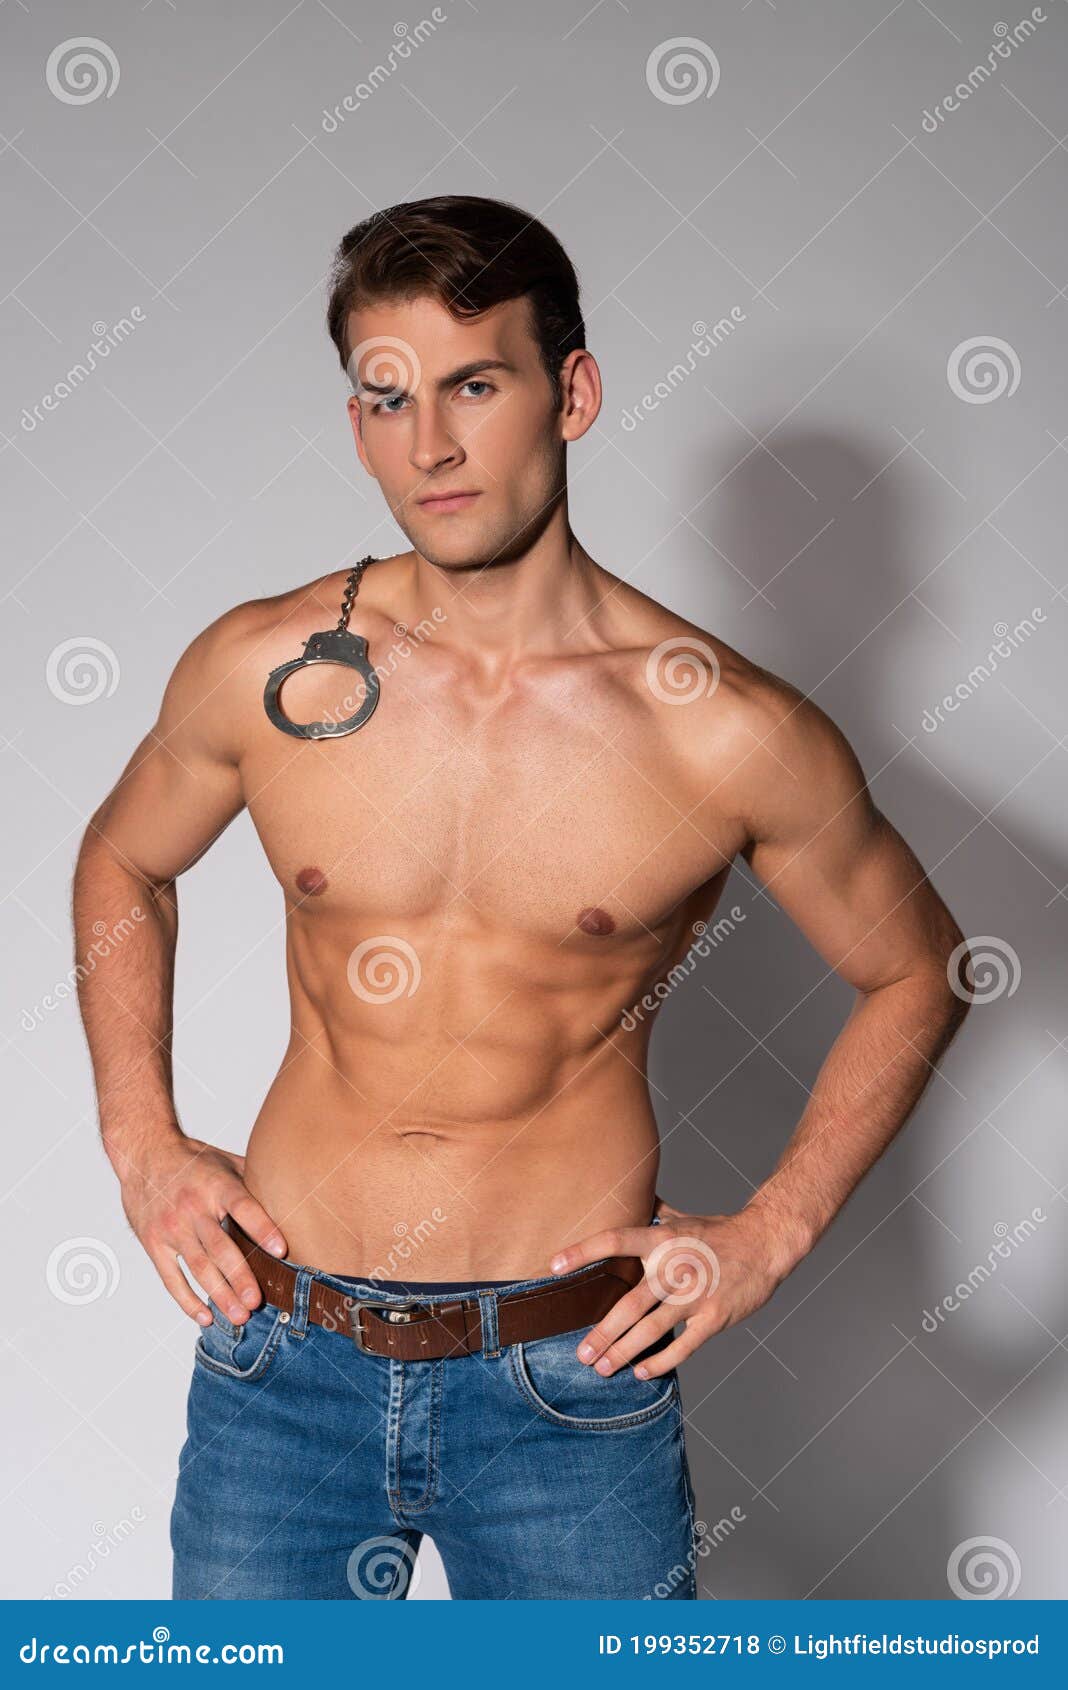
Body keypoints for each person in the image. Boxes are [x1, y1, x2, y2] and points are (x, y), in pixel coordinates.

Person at [72, 195, 971, 1601]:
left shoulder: (717, 730)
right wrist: (141, 1140)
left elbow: (919, 970)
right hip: (283, 1364)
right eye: (387, 397)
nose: (427, 444)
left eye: (474, 384)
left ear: (574, 390)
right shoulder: (265, 666)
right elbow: (124, 857)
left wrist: (771, 1229)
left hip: (567, 1387)